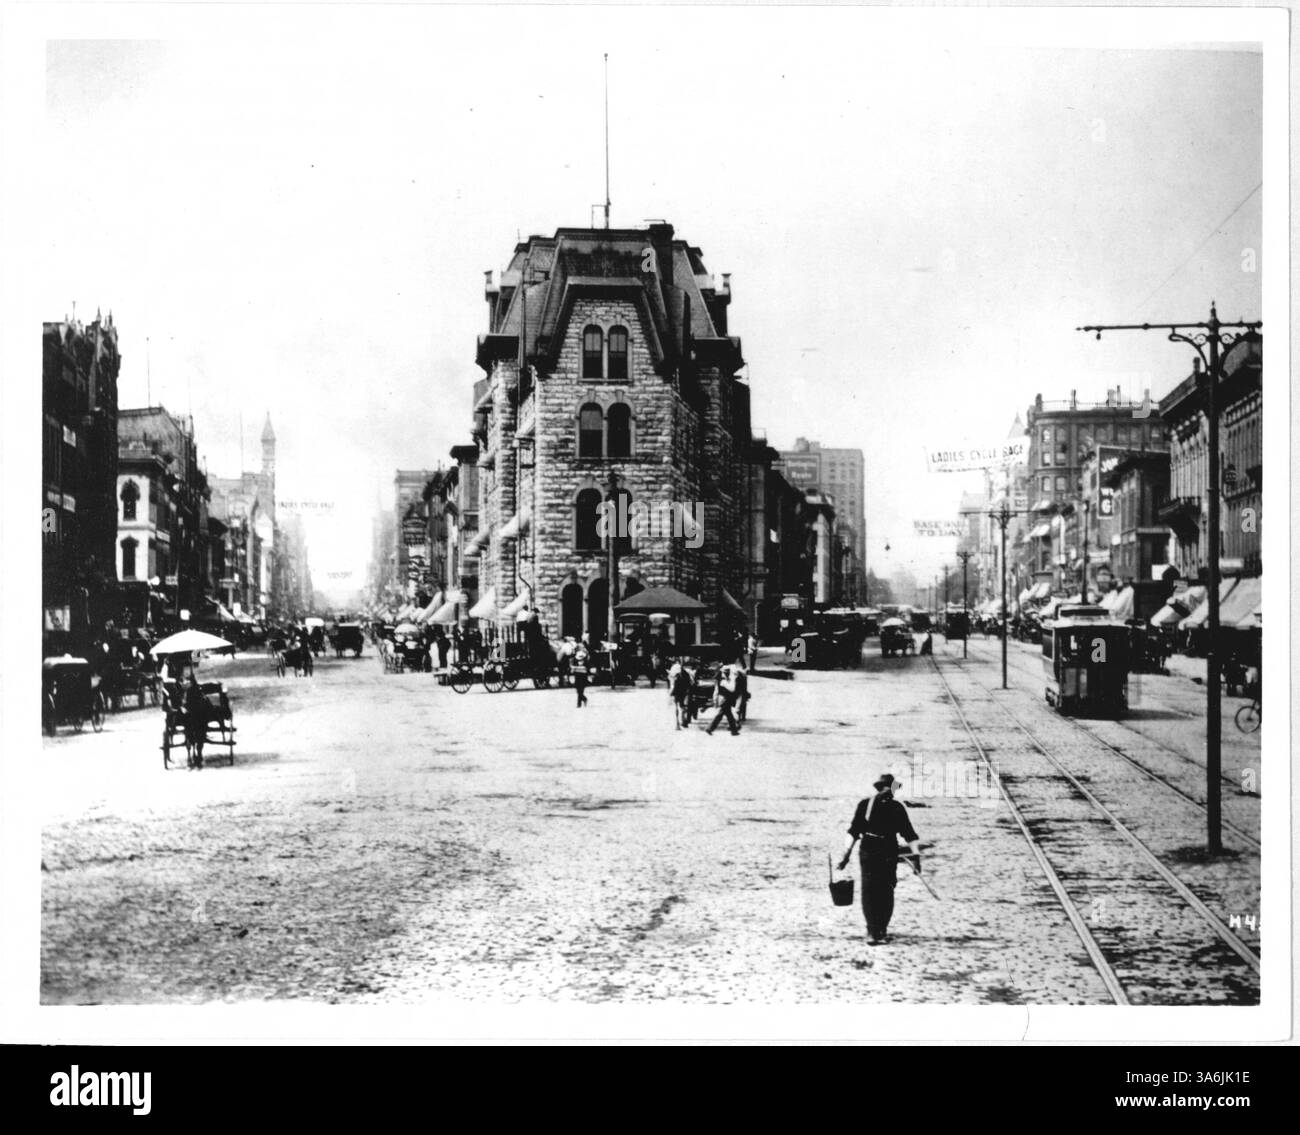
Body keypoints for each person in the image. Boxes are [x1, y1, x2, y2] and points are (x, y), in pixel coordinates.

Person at [838, 773, 922, 944]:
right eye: (885, 788)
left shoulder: (897, 808)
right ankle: (871, 930)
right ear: (879, 789)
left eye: (890, 788)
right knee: (869, 890)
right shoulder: (865, 805)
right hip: (869, 851)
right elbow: (854, 831)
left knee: (886, 889)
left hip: (888, 852)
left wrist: (916, 857)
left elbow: (909, 834)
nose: (887, 791)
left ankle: (882, 929)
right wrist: (845, 855)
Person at [706, 660, 742, 736]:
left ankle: (733, 730)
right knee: (722, 714)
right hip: (725, 699)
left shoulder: (723, 679)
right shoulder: (723, 681)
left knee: (728, 715)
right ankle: (710, 728)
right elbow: (732, 689)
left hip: (725, 699)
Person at [183, 674, 208, 770]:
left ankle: (197, 754)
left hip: (197, 716)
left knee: (198, 735)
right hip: (191, 716)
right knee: (191, 735)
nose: (186, 683)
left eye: (187, 681)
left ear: (191, 682)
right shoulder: (186, 691)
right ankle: (193, 755)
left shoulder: (196, 690)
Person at [669, 658, 694, 729]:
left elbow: (672, 681)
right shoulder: (685, 672)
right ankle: (682, 720)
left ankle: (678, 723)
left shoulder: (674, 669)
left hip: (676, 689)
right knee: (682, 705)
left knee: (677, 705)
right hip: (683, 689)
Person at [573, 641, 590, 708]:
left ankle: (579, 704)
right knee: (578, 689)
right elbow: (573, 665)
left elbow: (588, 665)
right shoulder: (575, 657)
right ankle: (584, 699)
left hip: (583, 674)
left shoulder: (586, 656)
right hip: (577, 674)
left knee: (581, 689)